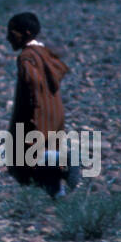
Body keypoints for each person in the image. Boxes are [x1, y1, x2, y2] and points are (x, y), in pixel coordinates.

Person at [5, 12, 73, 197]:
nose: (8, 38)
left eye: (12, 33)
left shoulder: (26, 57)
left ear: (25, 33)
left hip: (37, 114)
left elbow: (34, 86)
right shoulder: (44, 53)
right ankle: (58, 193)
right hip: (54, 111)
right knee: (47, 154)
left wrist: (33, 117)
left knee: (28, 156)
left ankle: (67, 161)